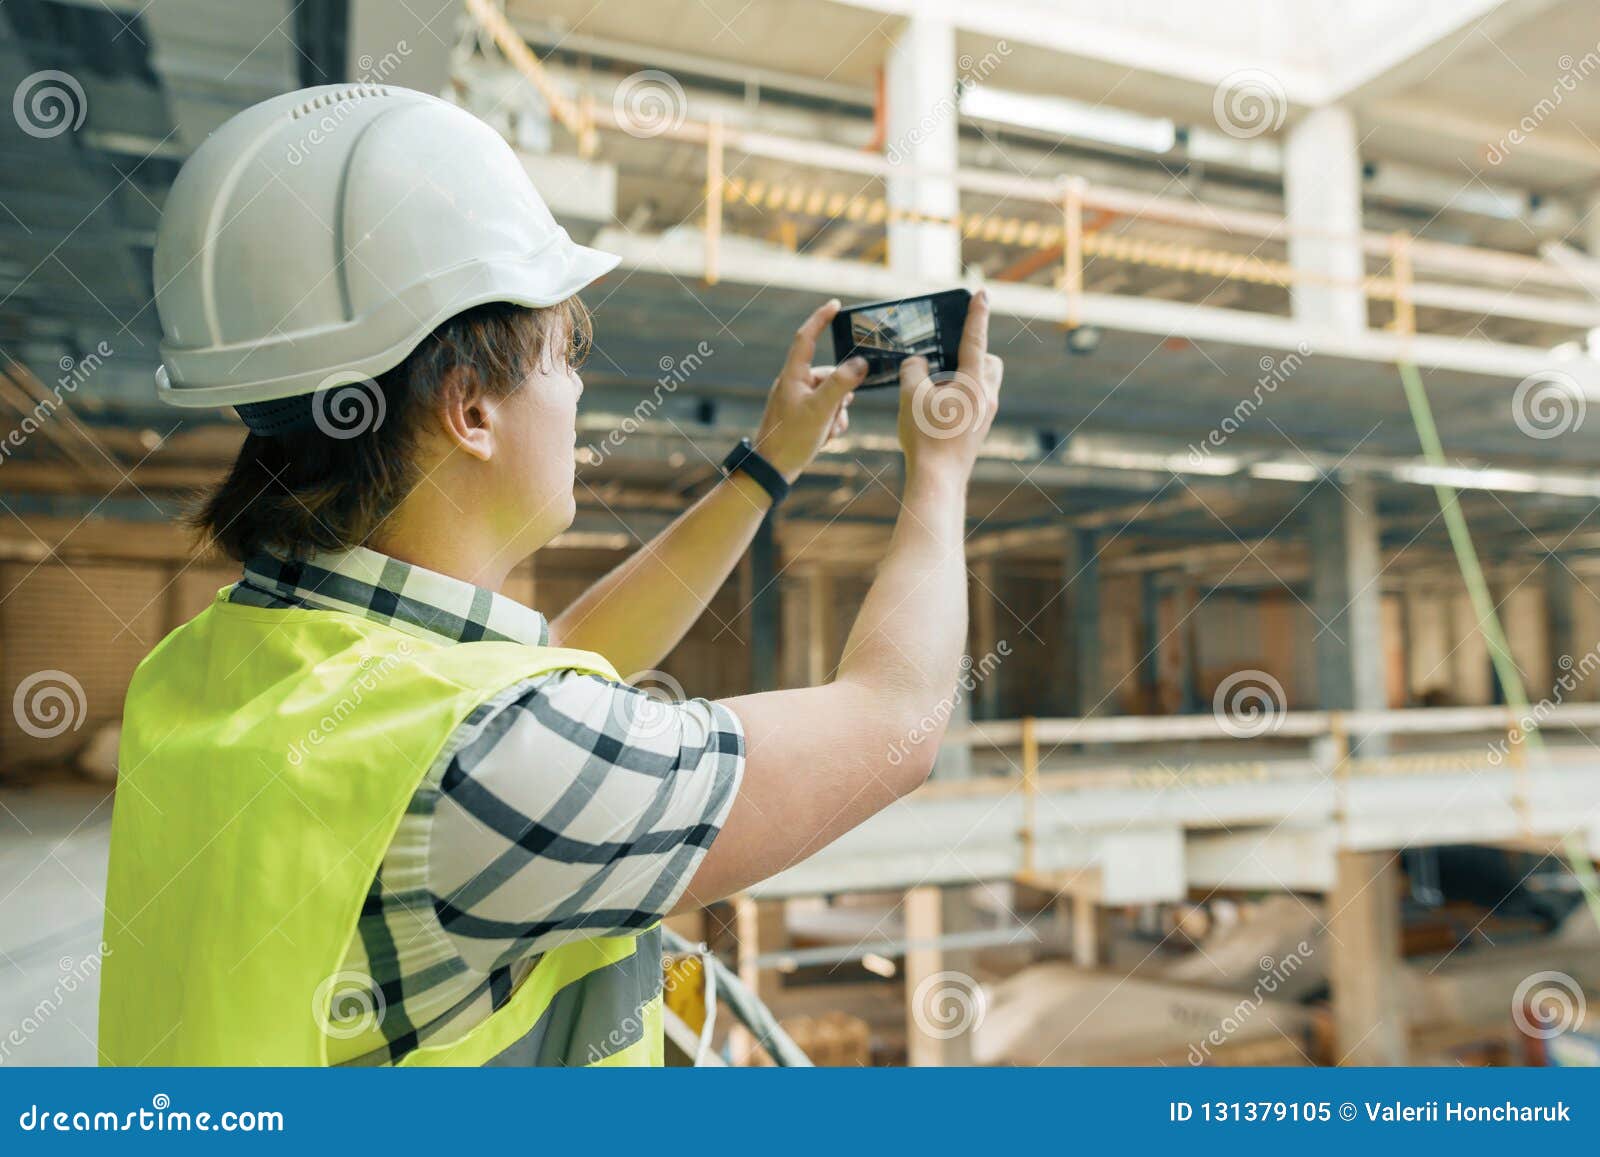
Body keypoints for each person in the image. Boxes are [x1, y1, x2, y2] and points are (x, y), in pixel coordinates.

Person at [98, 84, 1002, 1066]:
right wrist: (941, 470)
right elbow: (897, 722)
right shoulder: (499, 762)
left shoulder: (217, 662)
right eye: (563, 357)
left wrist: (764, 469)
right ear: (471, 410)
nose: (577, 393)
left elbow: (558, 660)